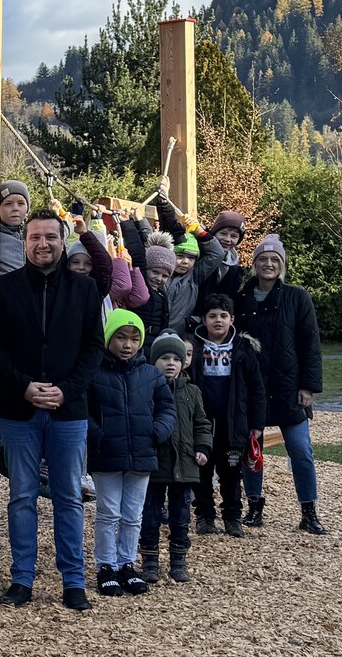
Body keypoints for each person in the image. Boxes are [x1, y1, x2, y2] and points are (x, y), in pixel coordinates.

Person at [0, 213, 105, 610]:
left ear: (62, 240)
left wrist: (64, 390)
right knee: (21, 495)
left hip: (68, 408)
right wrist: (24, 386)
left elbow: (93, 350)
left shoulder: (85, 290)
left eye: (50, 237)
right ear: (25, 242)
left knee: (69, 495)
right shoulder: (3, 289)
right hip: (19, 407)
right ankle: (23, 579)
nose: (43, 244)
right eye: (35, 237)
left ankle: (73, 581)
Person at [234, 233, 326, 534]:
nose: (269, 264)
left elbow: (310, 343)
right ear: (254, 264)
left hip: (288, 385)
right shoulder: (241, 299)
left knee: (300, 449)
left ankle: (308, 510)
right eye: (263, 259)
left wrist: (308, 386)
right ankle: (254, 505)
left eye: (274, 260)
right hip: (253, 386)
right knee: (252, 449)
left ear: (282, 265)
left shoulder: (296, 297)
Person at [86, 310, 174, 597]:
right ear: (109, 338)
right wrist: (98, 435)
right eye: (121, 337)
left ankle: (126, 563)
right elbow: (83, 410)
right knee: (109, 512)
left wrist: (157, 431)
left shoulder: (151, 375)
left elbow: (167, 408)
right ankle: (106, 566)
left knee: (133, 514)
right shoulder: (94, 373)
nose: (127, 344)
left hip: (142, 452)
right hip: (107, 453)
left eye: (134, 339)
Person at [138, 332, 212, 585]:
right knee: (150, 514)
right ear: (153, 361)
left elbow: (202, 423)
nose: (171, 363)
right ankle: (149, 561)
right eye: (164, 358)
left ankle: (178, 560)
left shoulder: (192, 392)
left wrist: (203, 447)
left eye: (176, 358)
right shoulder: (145, 389)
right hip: (155, 464)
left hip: (185, 464)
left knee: (181, 515)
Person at [190, 293, 265, 538]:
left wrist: (256, 423)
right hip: (201, 421)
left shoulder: (243, 348)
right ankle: (204, 516)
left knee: (231, 473)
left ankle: (232, 517)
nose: (218, 321)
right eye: (212, 316)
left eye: (223, 316)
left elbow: (256, 388)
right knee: (202, 470)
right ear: (204, 319)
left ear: (232, 319)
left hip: (233, 421)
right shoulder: (193, 346)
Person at [0, 181, 31, 278]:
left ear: (27, 209)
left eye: (21, 203)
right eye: (8, 204)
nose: (15, 208)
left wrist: (70, 224)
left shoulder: (34, 233)